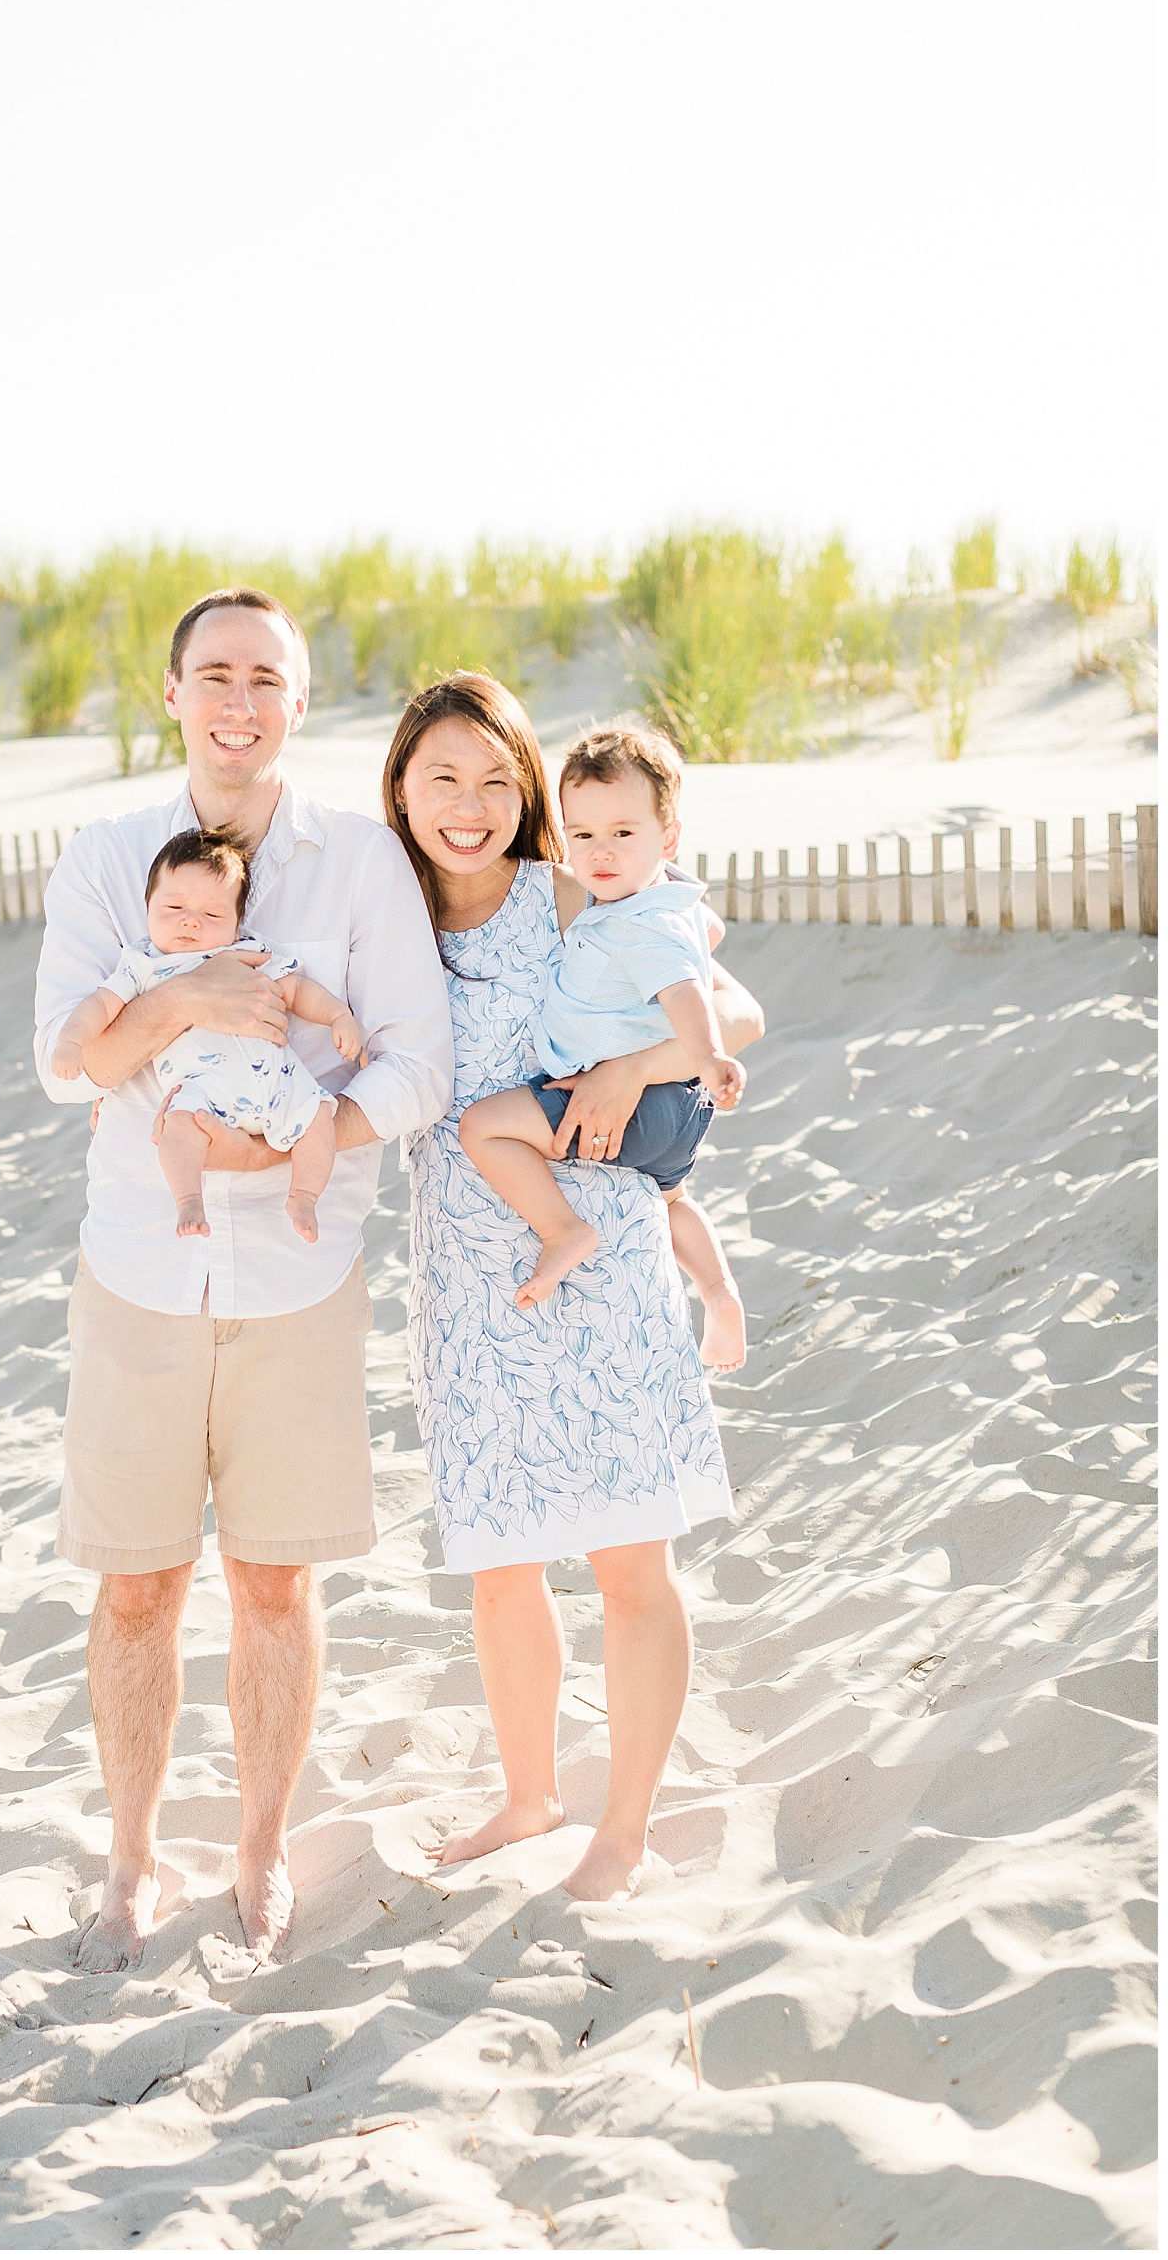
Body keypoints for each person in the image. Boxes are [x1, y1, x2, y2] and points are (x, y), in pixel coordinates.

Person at [33, 588, 451, 1970]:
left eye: (265, 679)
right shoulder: (105, 857)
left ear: (297, 700)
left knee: (276, 1583)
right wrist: (193, 1001)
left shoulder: (363, 867)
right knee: (137, 1585)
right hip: (139, 1266)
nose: (238, 701)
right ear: (173, 696)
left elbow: (415, 1060)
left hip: (303, 1269)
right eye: (214, 674)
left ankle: (262, 1843)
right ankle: (132, 1858)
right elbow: (69, 1062)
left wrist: (320, 1132)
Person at [385, 673, 763, 1901]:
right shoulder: (381, 917)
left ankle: (626, 1825)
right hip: (465, 1269)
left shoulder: (572, 887)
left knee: (625, 1562)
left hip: (597, 1239)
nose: (471, 803)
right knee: (503, 1558)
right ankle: (532, 1790)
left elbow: (735, 1011)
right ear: (400, 785)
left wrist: (625, 1072)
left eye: (498, 778)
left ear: (529, 789)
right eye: (443, 776)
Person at [457, 723, 748, 1364]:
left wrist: (707, 1055)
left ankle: (562, 1230)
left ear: (667, 837)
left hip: (634, 1103)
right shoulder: (667, 900)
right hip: (678, 1111)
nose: (601, 853)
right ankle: (719, 1292)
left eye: (623, 834)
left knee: (483, 1127)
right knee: (674, 1202)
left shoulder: (638, 924)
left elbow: (684, 994)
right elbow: (711, 929)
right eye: (582, 835)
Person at [50, 824, 367, 1243]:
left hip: (279, 1082)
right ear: (147, 907)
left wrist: (338, 1017)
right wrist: (72, 1041)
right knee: (178, 1128)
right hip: (202, 1090)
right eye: (173, 907)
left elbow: (297, 990)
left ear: (237, 922)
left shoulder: (247, 953)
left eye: (212, 914)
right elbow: (100, 1006)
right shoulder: (144, 965)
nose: (191, 922)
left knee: (319, 1119)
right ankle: (188, 1200)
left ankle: (304, 1195)